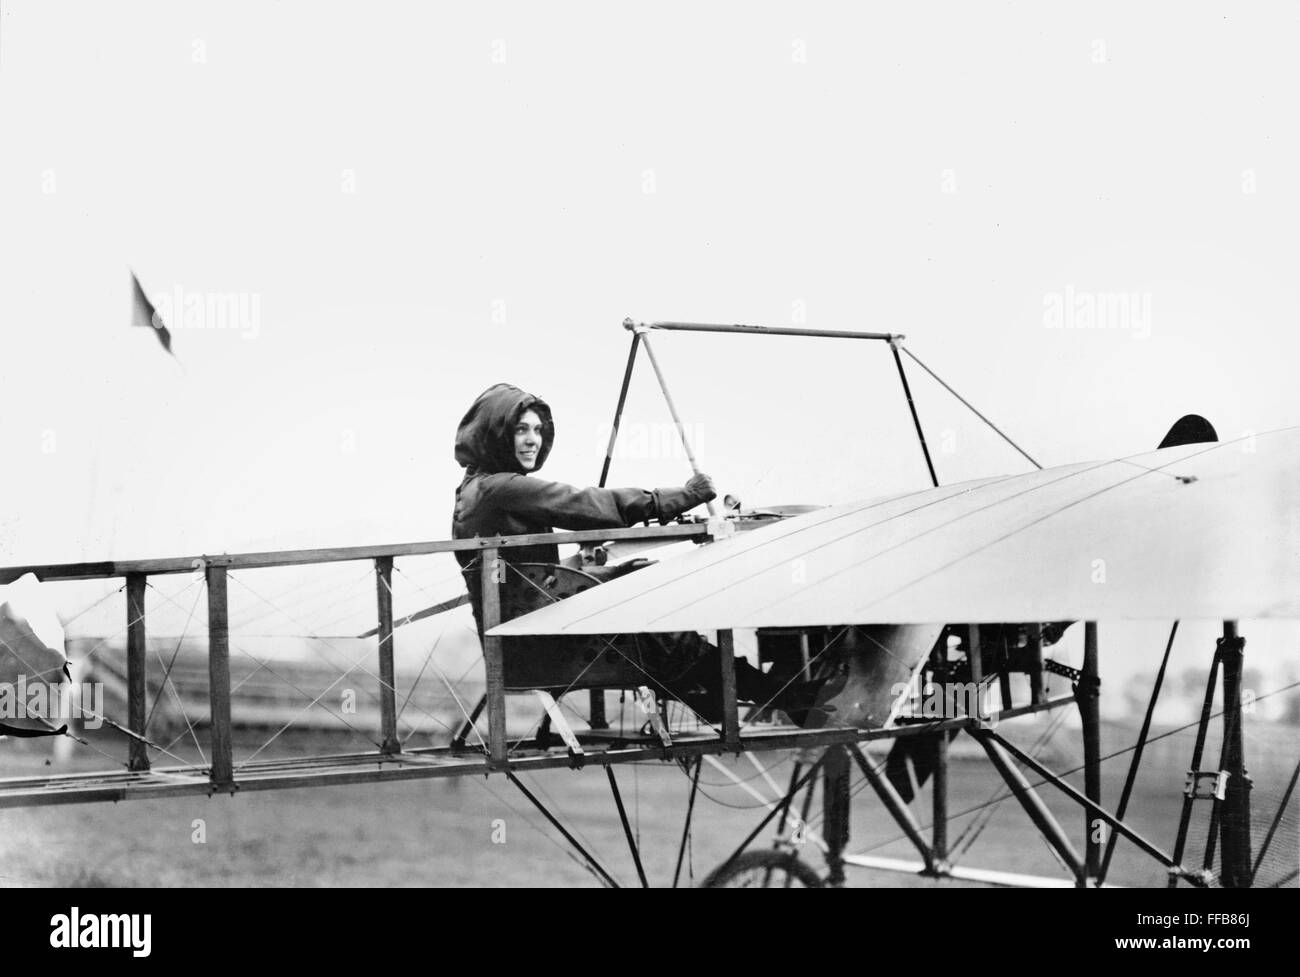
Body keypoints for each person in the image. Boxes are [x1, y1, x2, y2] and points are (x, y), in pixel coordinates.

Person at [450, 382, 819, 724]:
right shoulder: (503, 488)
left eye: (538, 430)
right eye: (520, 430)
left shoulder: (473, 492)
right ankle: (782, 695)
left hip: (521, 639)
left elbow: (527, 574)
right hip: (543, 644)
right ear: (495, 434)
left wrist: (617, 574)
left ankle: (712, 694)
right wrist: (678, 497)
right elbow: (586, 505)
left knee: (637, 578)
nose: (533, 440)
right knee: (661, 623)